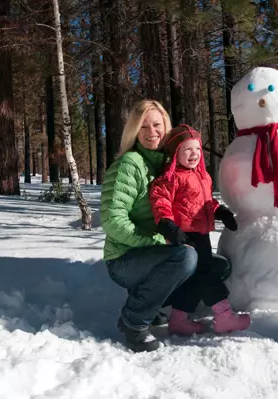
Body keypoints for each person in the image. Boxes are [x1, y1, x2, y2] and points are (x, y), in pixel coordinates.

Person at [101, 100, 198, 353]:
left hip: (146, 253)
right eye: (143, 126)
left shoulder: (166, 164)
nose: (151, 131)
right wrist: (157, 242)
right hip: (123, 259)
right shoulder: (130, 163)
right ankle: (134, 321)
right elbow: (113, 221)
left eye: (157, 124)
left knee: (211, 264)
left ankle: (147, 306)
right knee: (185, 258)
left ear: (166, 127)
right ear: (134, 131)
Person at [150, 124, 251, 335]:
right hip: (185, 235)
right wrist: (167, 225)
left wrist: (220, 211)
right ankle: (224, 316)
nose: (193, 154)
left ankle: (178, 318)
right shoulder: (171, 178)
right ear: (176, 152)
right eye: (186, 149)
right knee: (206, 273)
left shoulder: (202, 176)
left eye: (196, 149)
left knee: (195, 276)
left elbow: (205, 202)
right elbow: (161, 202)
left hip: (202, 233)